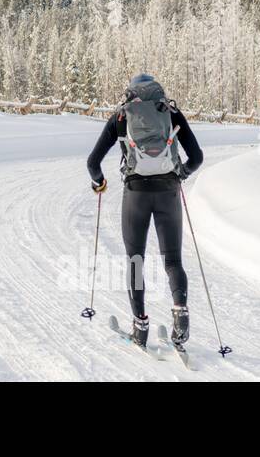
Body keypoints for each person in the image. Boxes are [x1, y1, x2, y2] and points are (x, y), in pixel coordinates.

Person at [86, 74, 203, 348]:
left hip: (136, 193)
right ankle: (180, 312)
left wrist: (99, 182)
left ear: (132, 91)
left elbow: (93, 162)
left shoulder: (122, 115)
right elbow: (196, 158)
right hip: (168, 191)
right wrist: (180, 174)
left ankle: (140, 326)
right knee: (173, 261)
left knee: (135, 260)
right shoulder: (170, 112)